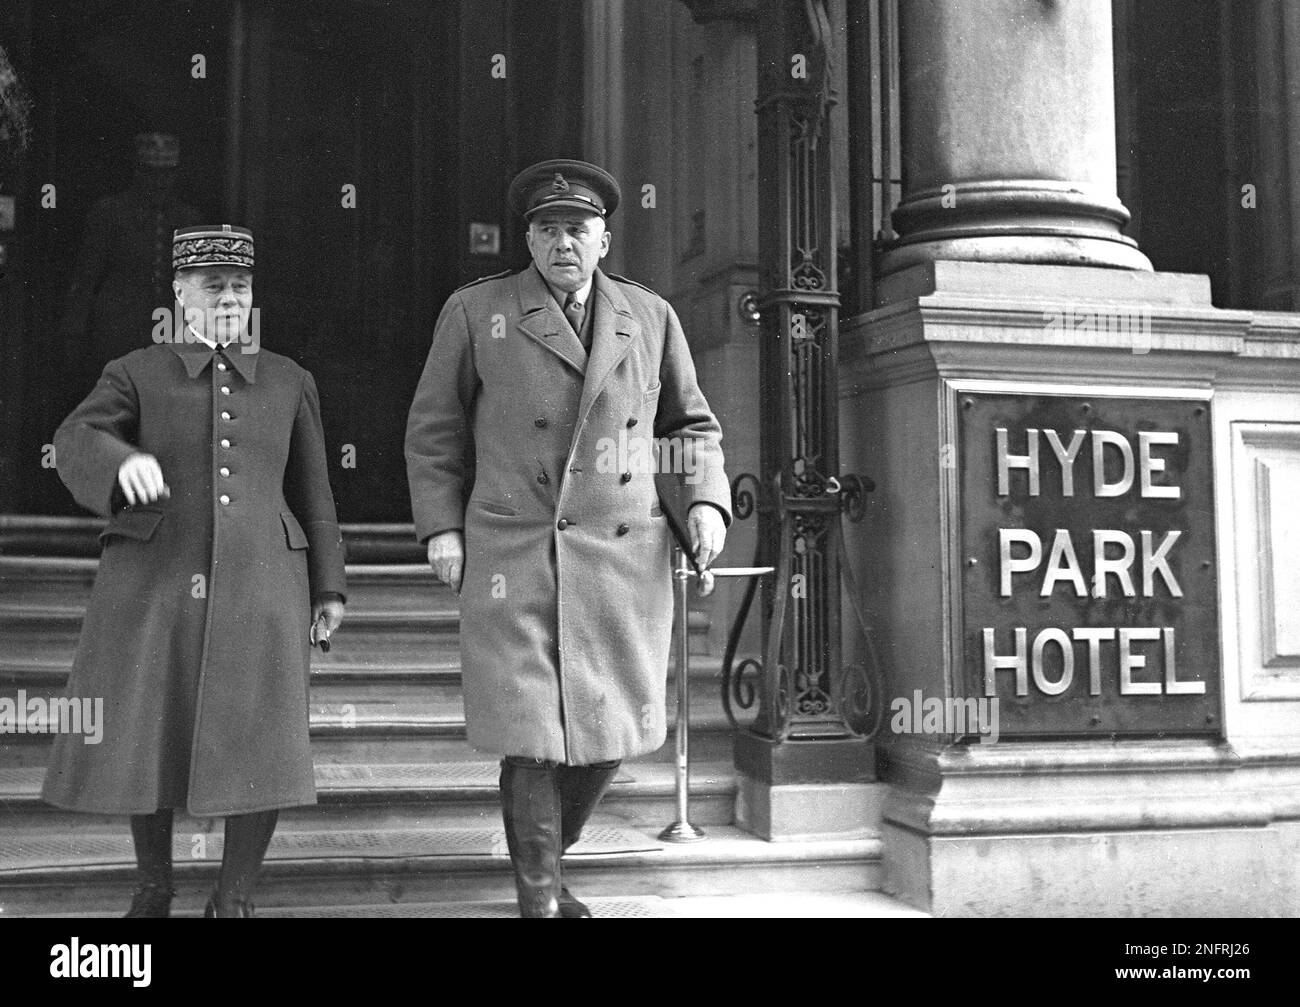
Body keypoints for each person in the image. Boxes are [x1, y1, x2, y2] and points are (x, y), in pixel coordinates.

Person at [405, 159, 731, 918]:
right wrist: (443, 529)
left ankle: (546, 863)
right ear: (528, 237)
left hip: (622, 560)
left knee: (606, 736)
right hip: (515, 553)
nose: (563, 243)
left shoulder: (650, 318)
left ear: (604, 239)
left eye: (577, 229)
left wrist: (706, 505)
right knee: (532, 737)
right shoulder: (476, 311)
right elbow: (434, 433)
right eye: (548, 229)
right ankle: (540, 900)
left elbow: (687, 428)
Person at [43, 224, 347, 918]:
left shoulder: (289, 378)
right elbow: (73, 440)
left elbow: (316, 491)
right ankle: (154, 887)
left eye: (241, 286)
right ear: (181, 293)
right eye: (216, 286)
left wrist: (329, 585)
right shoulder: (136, 371)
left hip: (266, 584)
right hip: (156, 582)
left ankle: (232, 898)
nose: (232, 298)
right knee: (148, 735)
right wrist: (123, 464)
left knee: (263, 744)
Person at [57, 132, 203, 382]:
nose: (159, 182)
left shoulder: (187, 219)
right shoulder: (109, 213)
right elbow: (86, 278)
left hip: (169, 329)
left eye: (166, 173)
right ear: (137, 171)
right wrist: (74, 330)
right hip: (117, 330)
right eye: (150, 173)